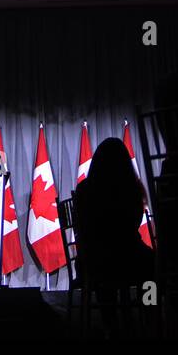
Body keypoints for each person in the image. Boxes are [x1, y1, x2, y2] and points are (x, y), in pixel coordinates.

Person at [72, 138, 155, 334]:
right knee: (152, 266)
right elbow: (133, 225)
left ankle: (110, 322)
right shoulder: (132, 189)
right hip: (127, 256)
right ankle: (150, 310)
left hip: (94, 259)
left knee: (103, 265)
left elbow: (82, 228)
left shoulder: (84, 189)